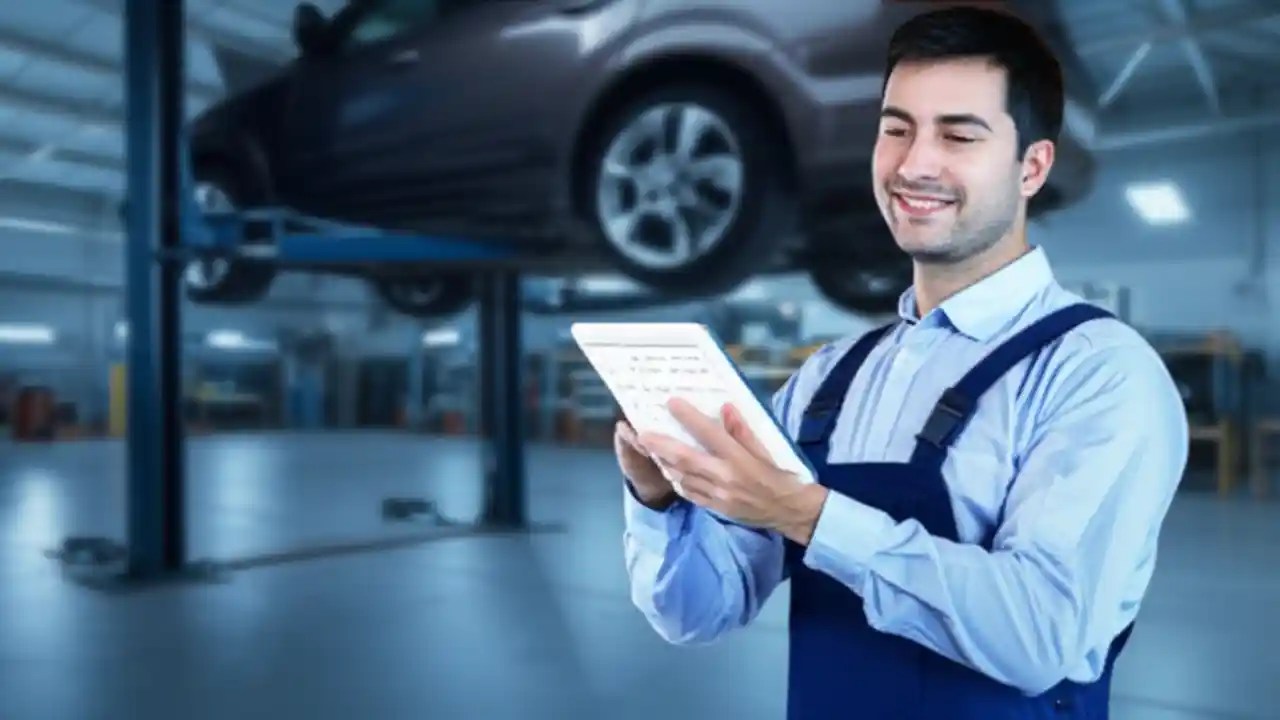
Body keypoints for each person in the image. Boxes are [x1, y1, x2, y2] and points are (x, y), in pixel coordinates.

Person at [613, 5, 1189, 720]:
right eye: (896, 129)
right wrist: (658, 500)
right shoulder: (825, 381)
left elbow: (1041, 635)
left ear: (1032, 166)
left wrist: (809, 515)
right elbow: (697, 613)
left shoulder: (1099, 374)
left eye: (958, 134)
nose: (915, 164)